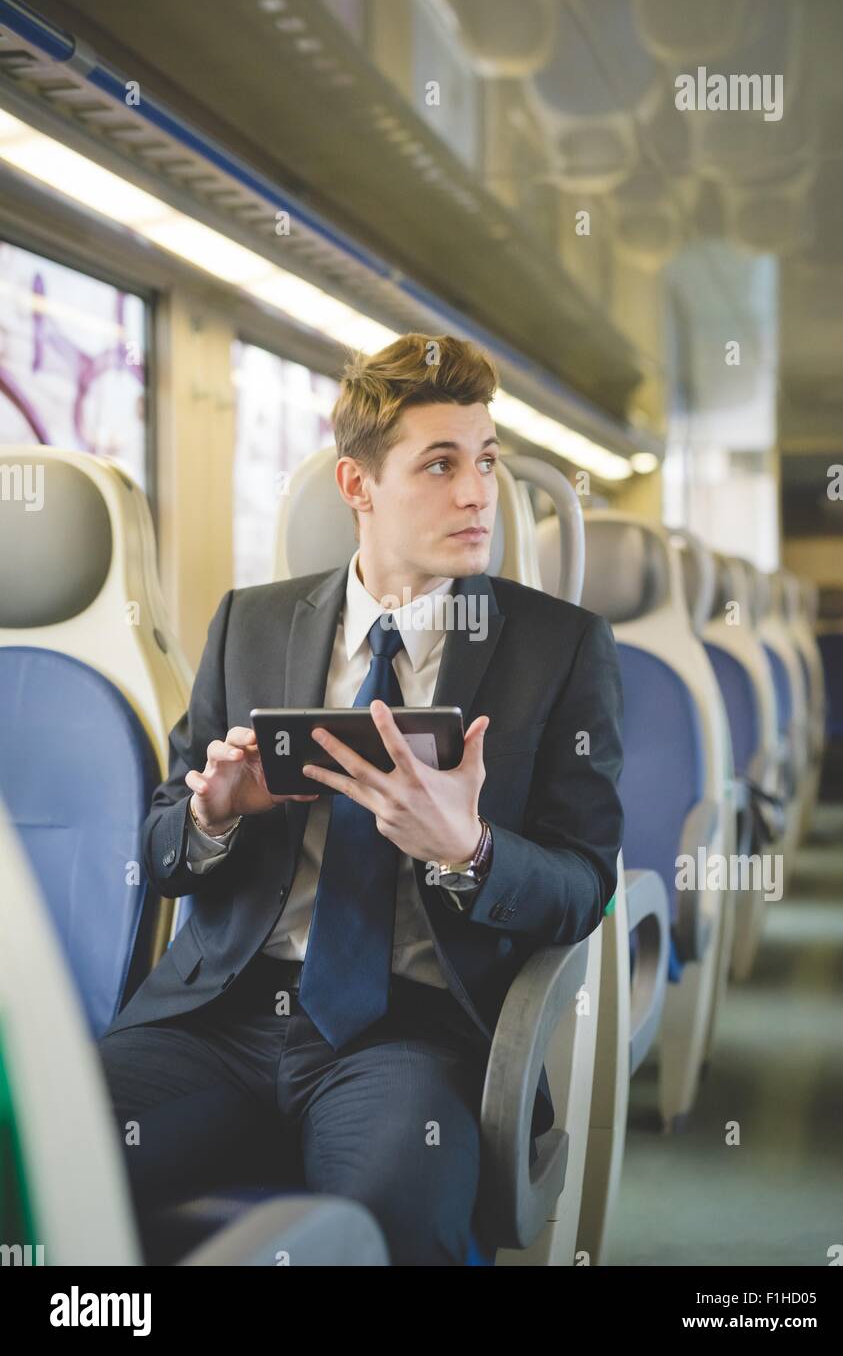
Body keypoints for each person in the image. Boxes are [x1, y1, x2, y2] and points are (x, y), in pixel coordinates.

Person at [99, 332, 624, 1265]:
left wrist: (469, 849)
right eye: (440, 464)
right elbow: (160, 850)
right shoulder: (248, 624)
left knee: (389, 1225)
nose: (478, 494)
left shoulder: (561, 648)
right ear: (357, 487)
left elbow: (583, 885)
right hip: (220, 1017)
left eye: (486, 462)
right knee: (45, 1166)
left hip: (408, 1033)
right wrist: (214, 817)